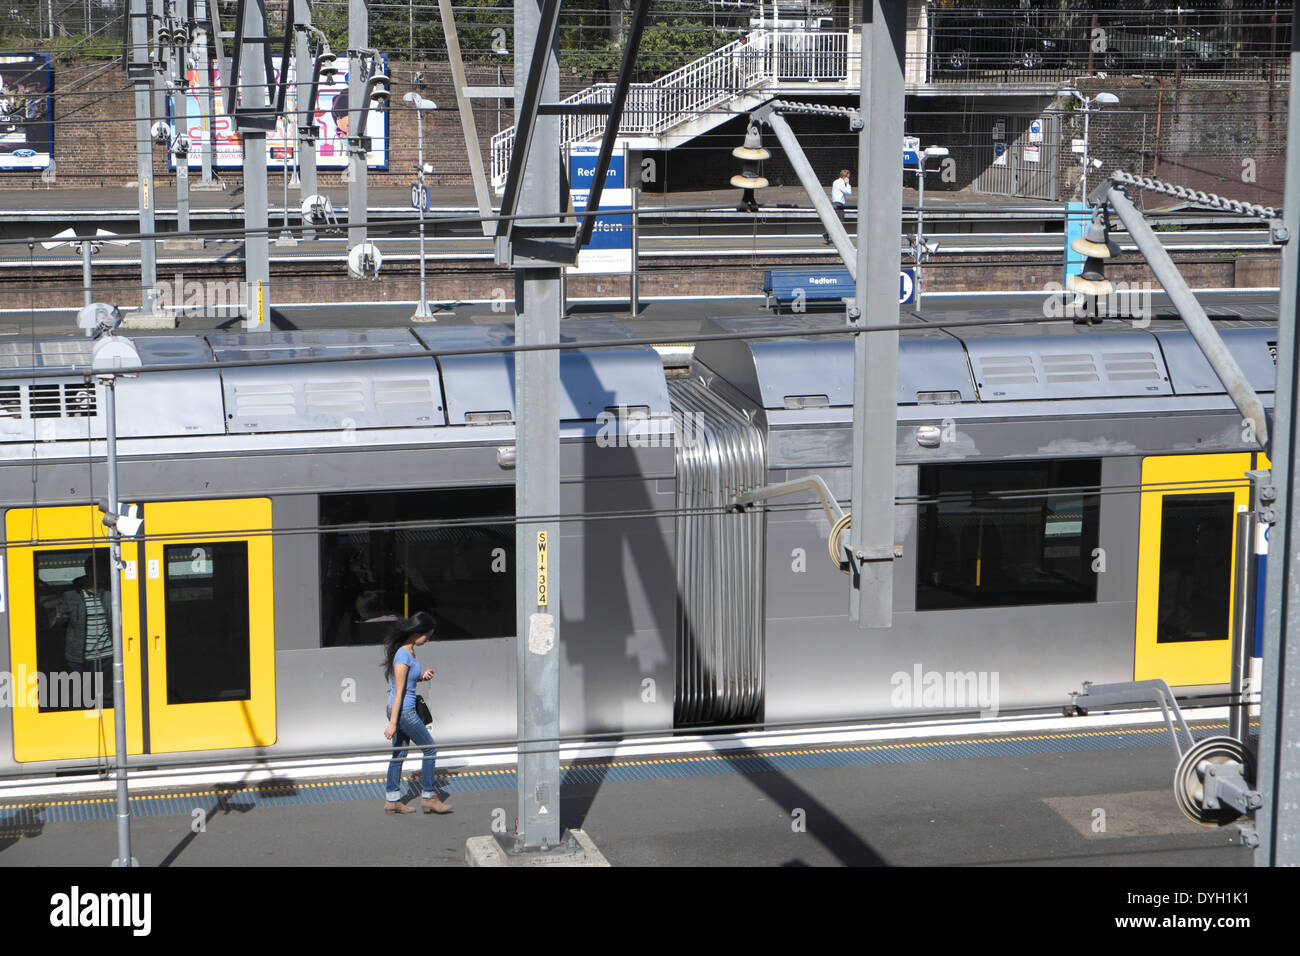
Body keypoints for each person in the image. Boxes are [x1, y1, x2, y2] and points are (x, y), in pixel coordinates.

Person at [381, 611, 452, 814]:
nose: (427, 640)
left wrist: (422, 677)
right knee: (430, 749)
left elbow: (407, 683)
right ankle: (429, 796)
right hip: (403, 711)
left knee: (399, 754)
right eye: (427, 636)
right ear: (417, 633)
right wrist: (393, 723)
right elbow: (399, 692)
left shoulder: (410, 652)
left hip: (401, 710)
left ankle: (392, 800)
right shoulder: (403, 656)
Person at [52, 553, 113, 709]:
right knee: (82, 699)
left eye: (104, 570)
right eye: (98, 570)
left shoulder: (110, 593)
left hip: (106, 656)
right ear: (88, 571)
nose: (101, 574)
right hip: (79, 658)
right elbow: (59, 622)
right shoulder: (70, 596)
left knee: (107, 699)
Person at [823, 169, 852, 244]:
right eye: (848, 176)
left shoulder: (835, 182)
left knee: (834, 221)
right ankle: (838, 238)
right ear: (845, 176)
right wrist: (847, 184)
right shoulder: (841, 183)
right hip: (839, 204)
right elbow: (848, 192)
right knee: (840, 221)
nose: (849, 178)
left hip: (834, 203)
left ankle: (828, 233)